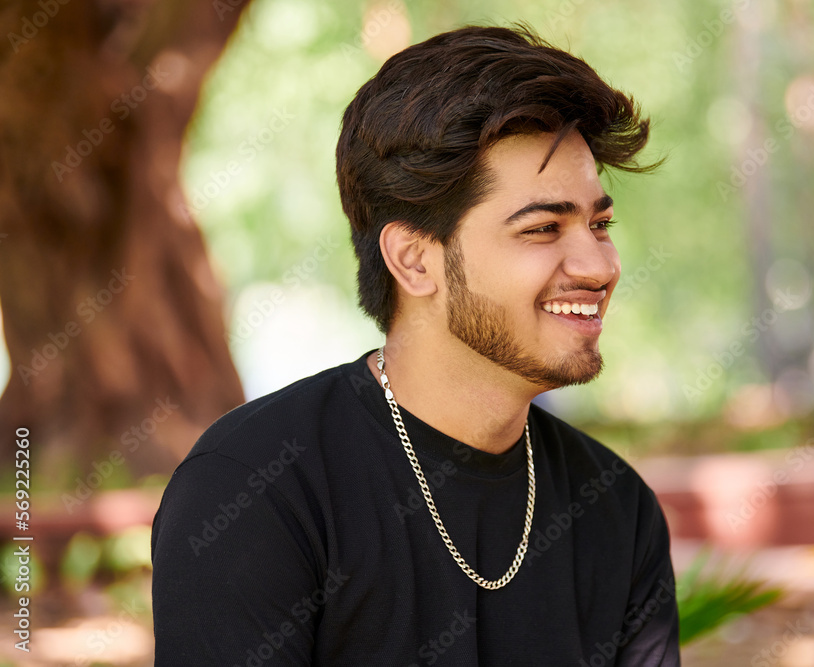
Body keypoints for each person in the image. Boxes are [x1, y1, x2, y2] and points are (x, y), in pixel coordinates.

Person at [151, 24, 680, 666]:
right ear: (413, 260)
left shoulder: (616, 508)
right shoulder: (255, 491)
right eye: (543, 228)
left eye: (600, 223)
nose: (598, 265)